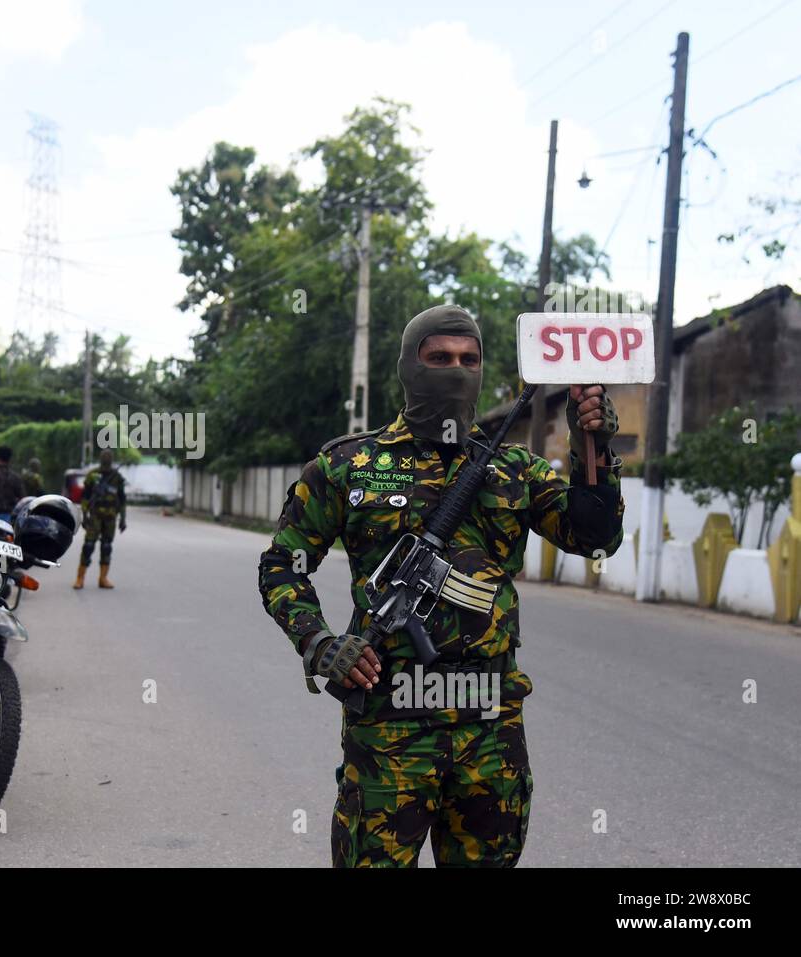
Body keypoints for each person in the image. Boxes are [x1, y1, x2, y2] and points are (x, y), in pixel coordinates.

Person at [257, 304, 624, 868]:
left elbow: (595, 536)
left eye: (469, 359)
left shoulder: (515, 470)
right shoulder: (351, 465)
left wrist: (590, 447)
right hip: (390, 724)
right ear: (410, 366)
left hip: (490, 727)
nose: (456, 370)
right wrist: (319, 644)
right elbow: (283, 565)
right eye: (440, 358)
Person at [73, 448, 127, 590]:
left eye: (109, 456)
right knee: (88, 546)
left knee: (107, 546)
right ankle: (80, 578)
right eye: (105, 456)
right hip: (95, 517)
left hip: (110, 517)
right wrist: (84, 516)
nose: (107, 458)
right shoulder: (93, 475)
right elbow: (85, 497)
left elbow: (122, 499)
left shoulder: (117, 478)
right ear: (100, 458)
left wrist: (123, 519)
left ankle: (103, 578)